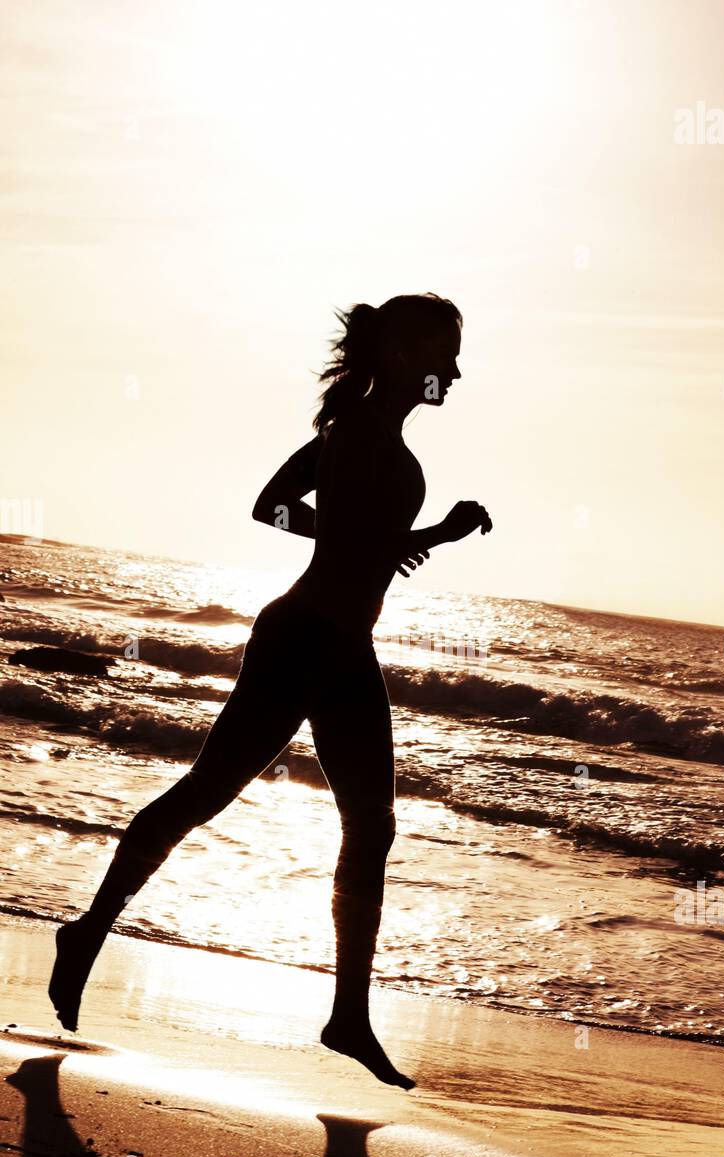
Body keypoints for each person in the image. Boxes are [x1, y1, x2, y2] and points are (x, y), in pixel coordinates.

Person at [48, 292, 492, 1088]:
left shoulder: (363, 435)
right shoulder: (355, 432)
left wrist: (394, 541)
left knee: (373, 824)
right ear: (399, 357)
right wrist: (430, 535)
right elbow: (300, 518)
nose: (453, 371)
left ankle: (348, 1015)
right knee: (206, 793)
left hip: (343, 646)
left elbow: (282, 509)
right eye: (442, 355)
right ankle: (88, 930)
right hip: (303, 639)